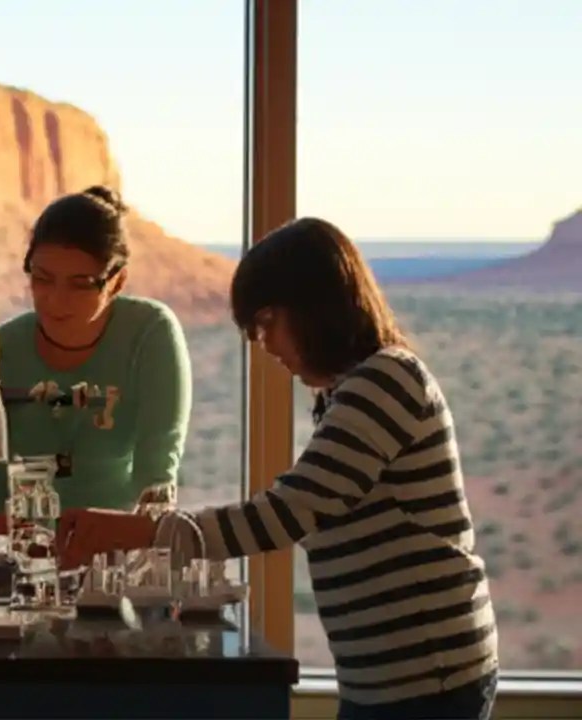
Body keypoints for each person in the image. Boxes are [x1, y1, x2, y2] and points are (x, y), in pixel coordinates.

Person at [57, 218, 498, 720]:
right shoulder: (347, 391)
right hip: (389, 676)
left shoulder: (385, 381)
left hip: (426, 672)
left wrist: (136, 531)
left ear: (314, 306)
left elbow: (288, 513)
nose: (264, 344)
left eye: (267, 322)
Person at [0, 186, 192, 534]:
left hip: (117, 547)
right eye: (42, 279)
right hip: (27, 552)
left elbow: (157, 478)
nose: (56, 300)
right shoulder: (6, 347)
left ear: (117, 281)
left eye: (80, 284)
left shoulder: (150, 334)